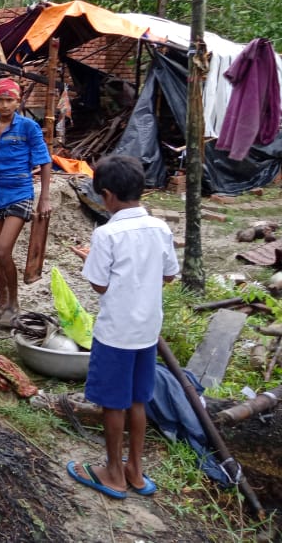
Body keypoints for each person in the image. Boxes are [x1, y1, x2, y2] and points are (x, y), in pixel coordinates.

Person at [67, 154, 178, 500]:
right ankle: (136, 470)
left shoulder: (107, 233)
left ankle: (112, 472)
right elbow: (169, 274)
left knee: (113, 403)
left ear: (108, 194)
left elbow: (100, 284)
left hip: (116, 332)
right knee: (137, 400)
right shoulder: (160, 228)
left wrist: (90, 259)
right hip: (147, 330)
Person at [0, 77, 52, 327]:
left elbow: (45, 161)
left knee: (3, 250)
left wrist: (44, 198)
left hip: (21, 193)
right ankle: (2, 304)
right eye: (0, 100)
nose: (5, 105)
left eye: (10, 100)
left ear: (18, 101)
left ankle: (14, 304)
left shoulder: (28, 127)